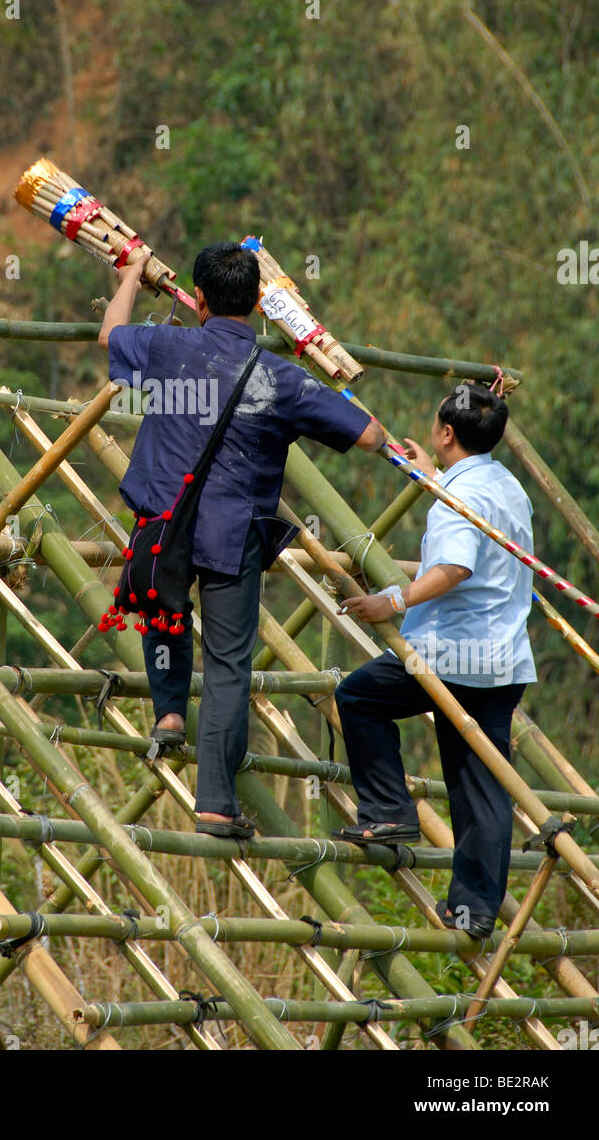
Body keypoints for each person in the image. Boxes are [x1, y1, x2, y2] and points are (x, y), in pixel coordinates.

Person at [98, 241, 383, 838]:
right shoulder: (282, 377)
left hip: (163, 520)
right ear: (259, 302)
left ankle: (169, 711)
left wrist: (128, 276)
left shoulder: (170, 345)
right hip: (234, 535)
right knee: (228, 667)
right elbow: (368, 436)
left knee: (163, 604)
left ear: (197, 299)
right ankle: (215, 805)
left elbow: (111, 336)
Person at [334, 383, 537, 937]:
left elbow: (455, 567)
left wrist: (391, 600)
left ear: (446, 433)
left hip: (452, 653)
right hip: (502, 659)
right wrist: (434, 476)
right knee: (482, 783)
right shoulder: (504, 485)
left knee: (358, 697)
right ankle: (472, 911)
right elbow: (470, 524)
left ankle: (387, 813)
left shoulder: (457, 496)